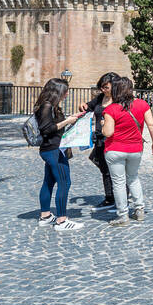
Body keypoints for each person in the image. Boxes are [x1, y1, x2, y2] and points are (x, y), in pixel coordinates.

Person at [99, 76, 153, 226]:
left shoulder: (111, 109)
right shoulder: (142, 104)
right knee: (133, 177)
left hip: (115, 149)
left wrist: (103, 123)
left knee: (119, 182)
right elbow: (151, 125)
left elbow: (107, 133)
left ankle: (123, 215)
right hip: (135, 149)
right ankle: (139, 210)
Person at [34, 77, 86, 231]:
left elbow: (52, 126)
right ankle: (62, 220)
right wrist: (66, 122)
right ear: (56, 92)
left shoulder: (49, 106)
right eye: (65, 91)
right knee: (64, 182)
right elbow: (47, 129)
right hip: (53, 150)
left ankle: (46, 216)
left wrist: (73, 118)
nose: (67, 94)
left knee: (49, 182)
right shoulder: (46, 106)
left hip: (51, 149)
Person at [79, 72, 121, 209]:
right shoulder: (100, 98)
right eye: (101, 87)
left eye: (106, 87)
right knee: (104, 168)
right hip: (100, 139)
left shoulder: (120, 100)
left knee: (117, 170)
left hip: (115, 140)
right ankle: (109, 198)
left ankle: (122, 198)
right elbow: (89, 107)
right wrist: (83, 106)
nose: (103, 90)